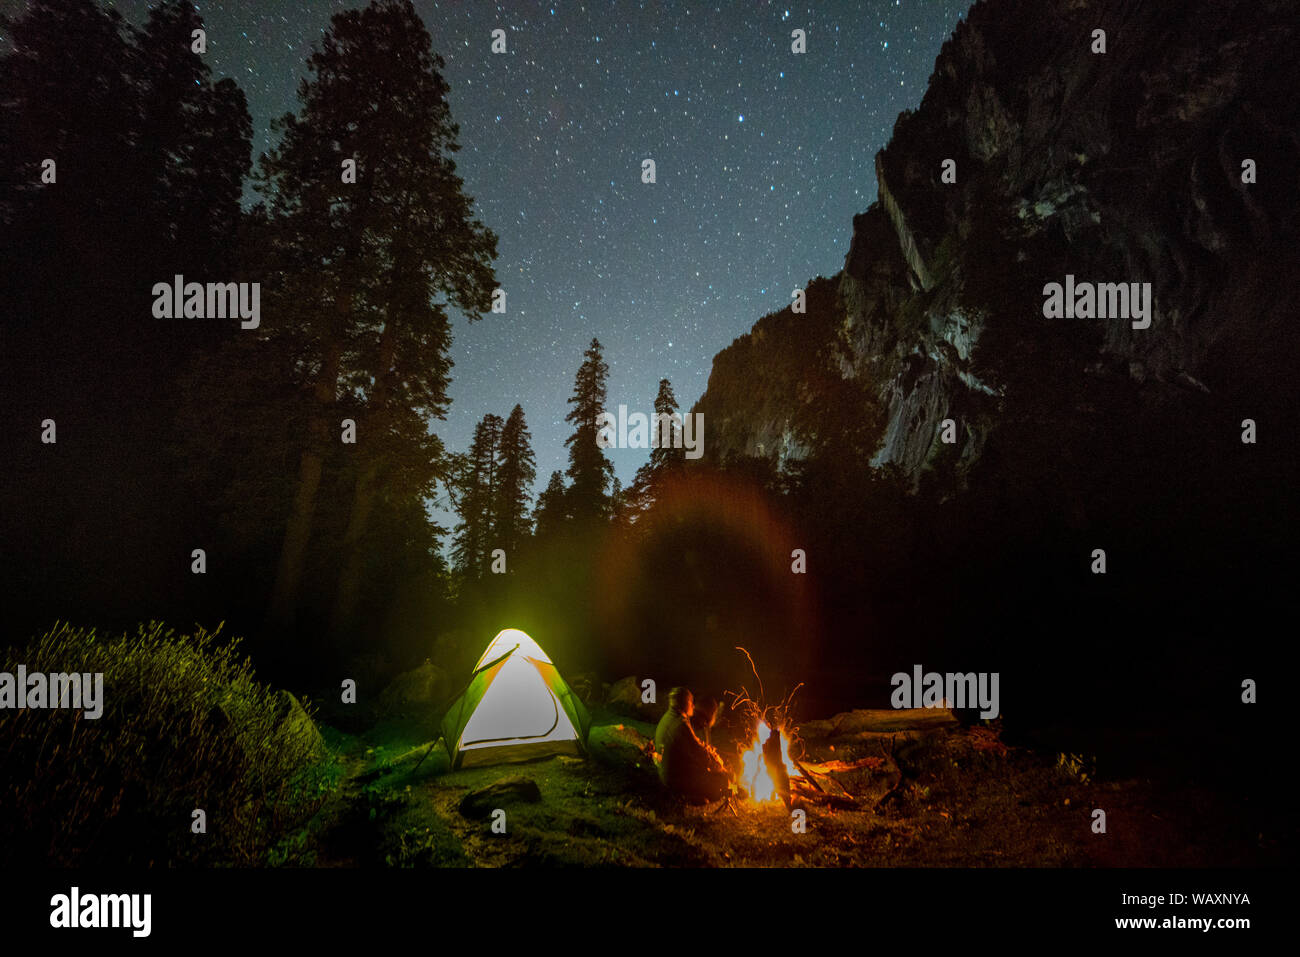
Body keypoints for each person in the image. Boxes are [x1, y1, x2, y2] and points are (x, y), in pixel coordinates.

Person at [654, 687, 732, 803]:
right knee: (721, 783)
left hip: (665, 772)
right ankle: (688, 796)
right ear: (687, 703)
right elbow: (700, 754)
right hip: (674, 778)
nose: (693, 706)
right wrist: (719, 767)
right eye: (692, 703)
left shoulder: (669, 717)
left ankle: (689, 794)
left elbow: (694, 743)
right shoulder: (681, 724)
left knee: (707, 773)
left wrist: (708, 750)